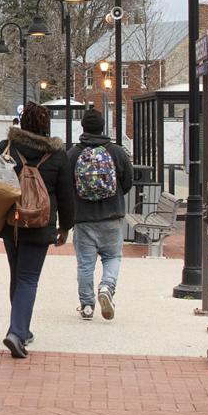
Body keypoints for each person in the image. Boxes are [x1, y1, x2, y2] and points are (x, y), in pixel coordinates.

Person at [0, 102, 75, 358]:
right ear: (46, 126)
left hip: (12, 223)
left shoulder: (7, 148)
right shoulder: (57, 155)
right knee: (28, 278)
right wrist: (65, 227)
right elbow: (67, 196)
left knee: (17, 275)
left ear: (22, 123)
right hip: (41, 225)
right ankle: (17, 331)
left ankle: (21, 328)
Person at [66, 109, 133, 321]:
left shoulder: (74, 154)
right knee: (112, 256)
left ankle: (86, 305)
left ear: (83, 127)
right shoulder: (116, 152)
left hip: (83, 218)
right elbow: (128, 182)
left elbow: (66, 187)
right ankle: (106, 286)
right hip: (112, 216)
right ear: (102, 127)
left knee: (85, 264)